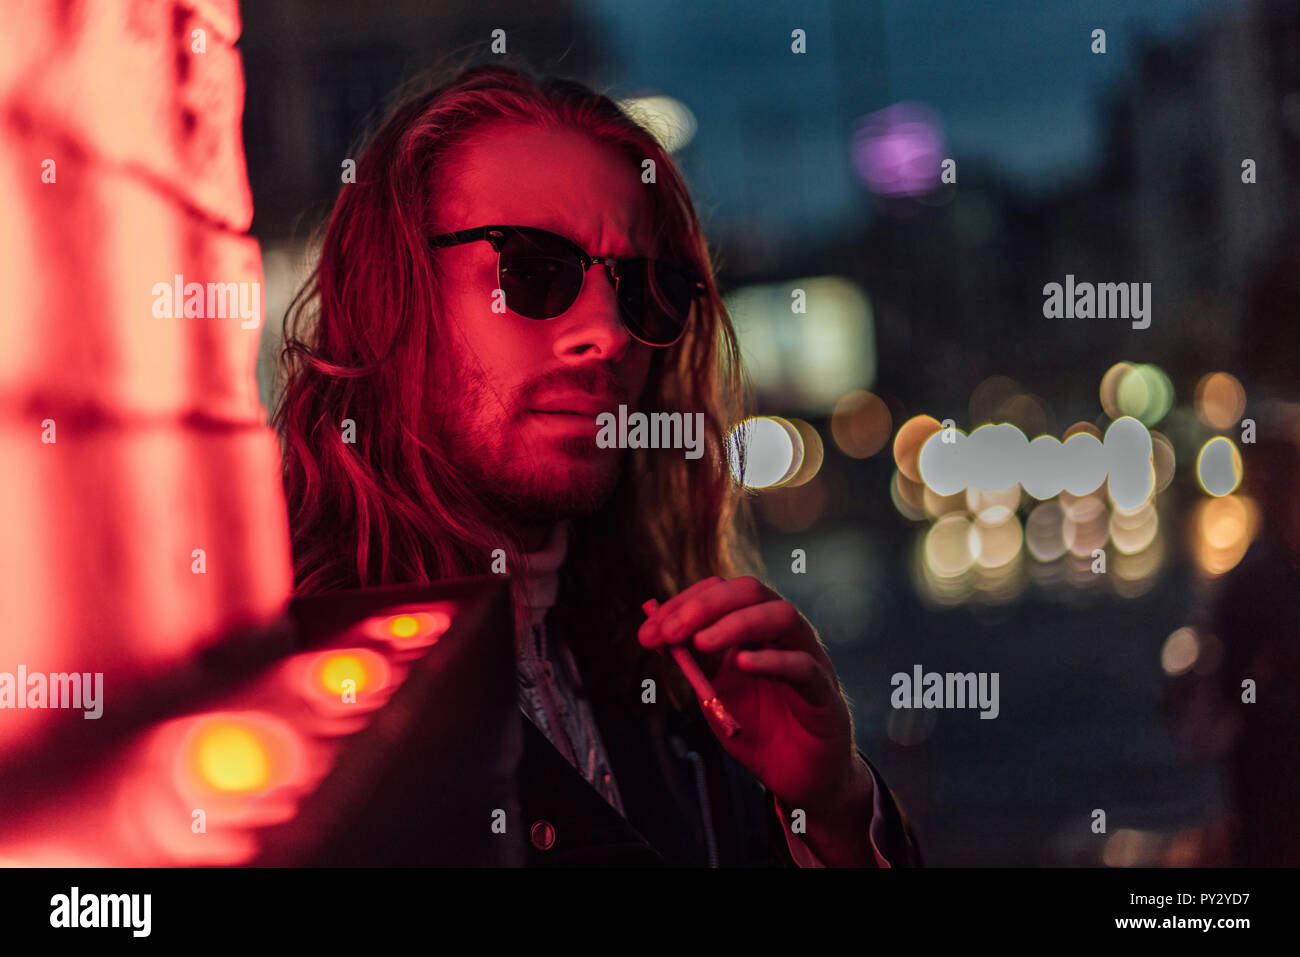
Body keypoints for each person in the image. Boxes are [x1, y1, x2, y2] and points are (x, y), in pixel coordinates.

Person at [273, 61, 921, 867]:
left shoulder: (675, 680)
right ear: (391, 296)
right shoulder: (286, 696)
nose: (610, 333)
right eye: (535, 269)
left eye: (645, 292)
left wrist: (828, 806)